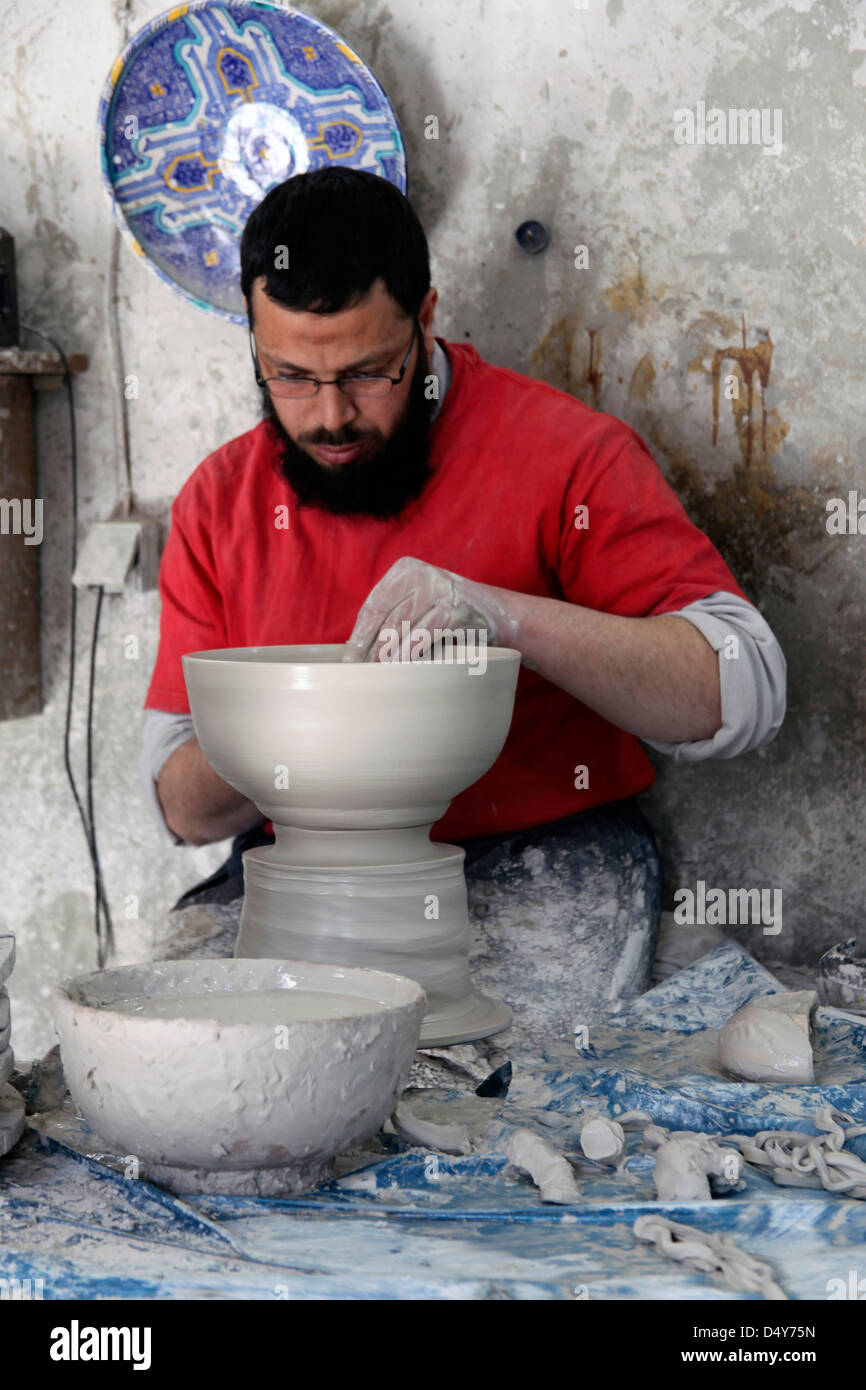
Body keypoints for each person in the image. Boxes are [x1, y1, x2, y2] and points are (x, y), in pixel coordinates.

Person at [138, 168, 786, 1038]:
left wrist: (508, 617)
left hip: (547, 860)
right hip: (301, 871)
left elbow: (745, 688)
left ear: (426, 318)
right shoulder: (219, 500)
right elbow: (181, 807)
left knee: (482, 1089)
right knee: (188, 1060)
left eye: (370, 371)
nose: (330, 416)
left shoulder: (567, 455)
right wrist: (300, 724)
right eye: (289, 374)